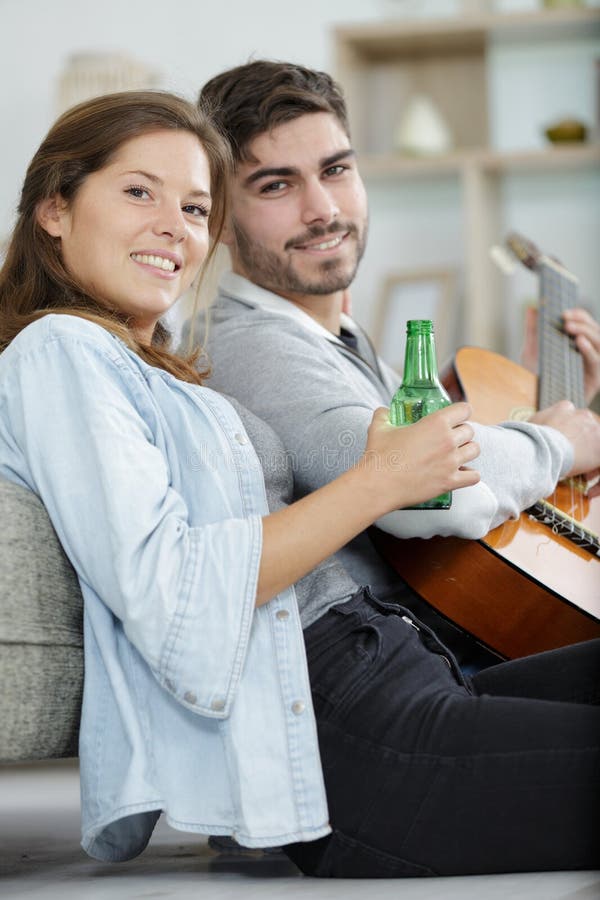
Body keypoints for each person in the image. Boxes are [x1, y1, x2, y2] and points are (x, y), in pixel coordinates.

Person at [1, 90, 599, 879]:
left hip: (393, 670)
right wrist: (380, 480)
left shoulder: (155, 366)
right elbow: (177, 594)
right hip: (348, 737)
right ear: (53, 207)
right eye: (138, 191)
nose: (173, 226)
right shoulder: (60, 350)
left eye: (193, 206)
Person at [191, 59, 600, 665]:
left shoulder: (336, 334)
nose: (321, 209)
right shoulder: (252, 350)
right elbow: (431, 489)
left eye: (336, 170)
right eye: (277, 185)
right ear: (218, 215)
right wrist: (554, 443)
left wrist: (532, 400)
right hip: (397, 678)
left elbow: (426, 443)